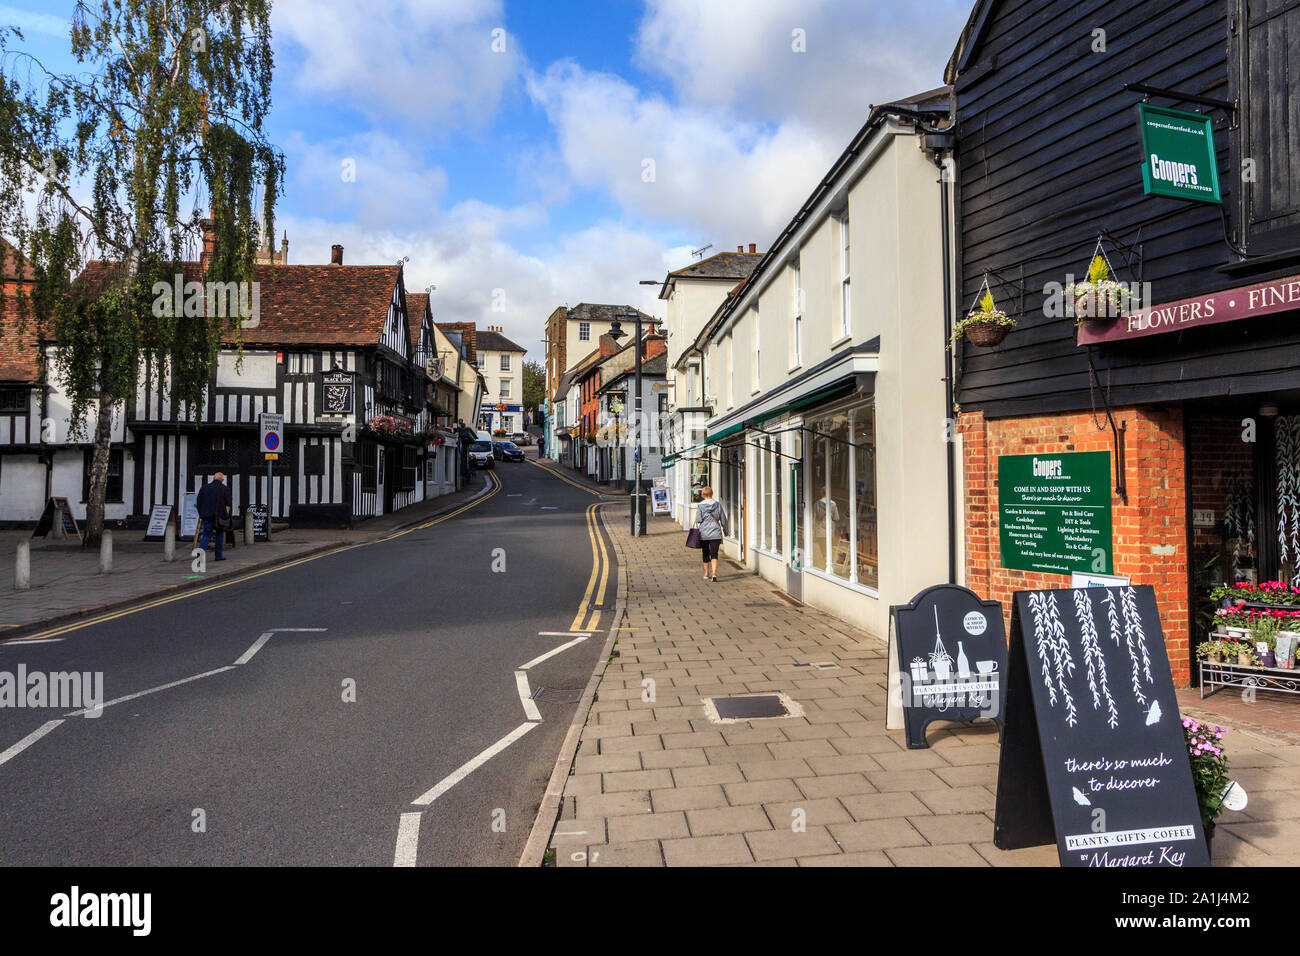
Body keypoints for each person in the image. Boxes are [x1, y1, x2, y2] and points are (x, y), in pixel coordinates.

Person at [196, 472, 233, 561]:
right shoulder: (224, 488)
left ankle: (199, 557)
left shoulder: (204, 488)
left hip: (206, 516)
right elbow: (229, 503)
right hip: (219, 516)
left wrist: (201, 514)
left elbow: (198, 502)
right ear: (222, 480)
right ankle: (218, 555)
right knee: (219, 535)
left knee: (206, 535)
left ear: (213, 478)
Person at [695, 486, 728, 582]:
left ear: (703, 495)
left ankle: (706, 573)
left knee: (705, 553)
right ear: (712, 494)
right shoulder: (717, 505)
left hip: (704, 534)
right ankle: (714, 573)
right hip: (716, 533)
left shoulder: (700, 506)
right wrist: (725, 531)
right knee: (714, 553)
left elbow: (698, 519)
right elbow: (723, 519)